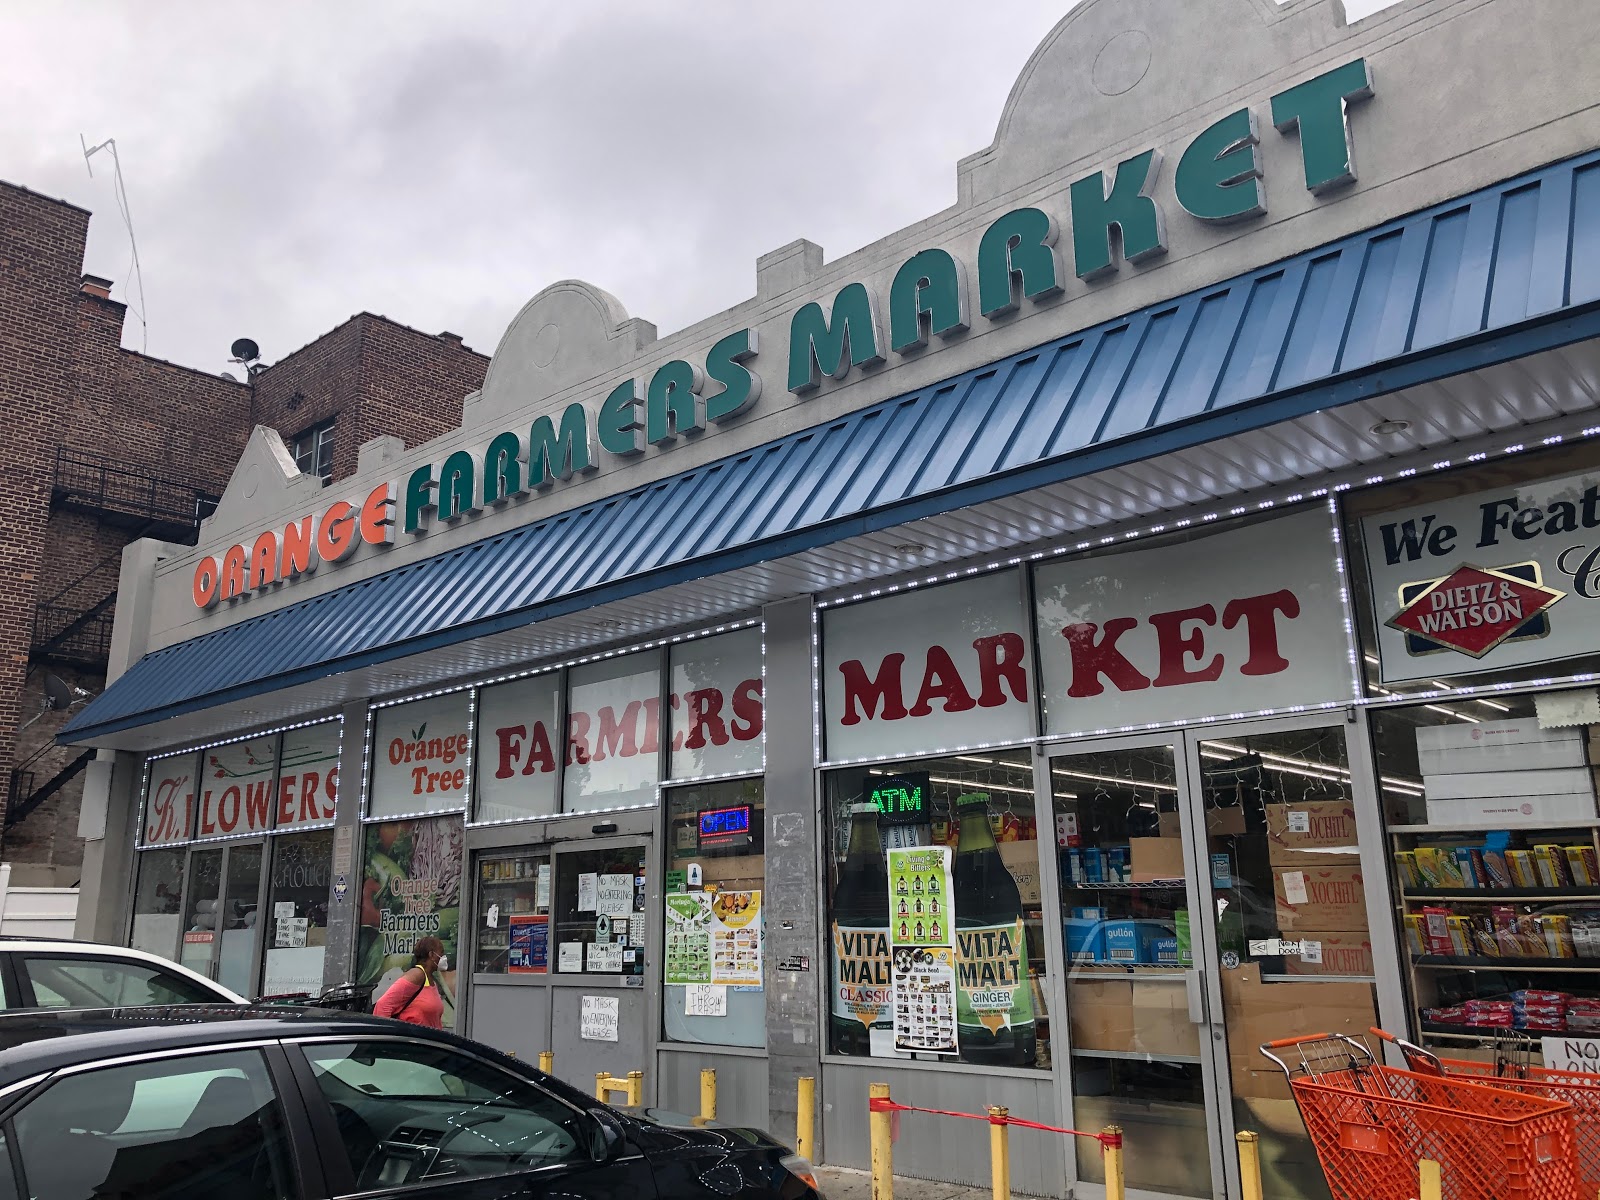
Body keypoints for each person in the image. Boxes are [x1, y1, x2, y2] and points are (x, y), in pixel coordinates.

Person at [374, 936, 446, 1028]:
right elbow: (383, 1006)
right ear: (431, 955)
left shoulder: (432, 980)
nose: (444, 957)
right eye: (442, 953)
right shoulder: (417, 975)